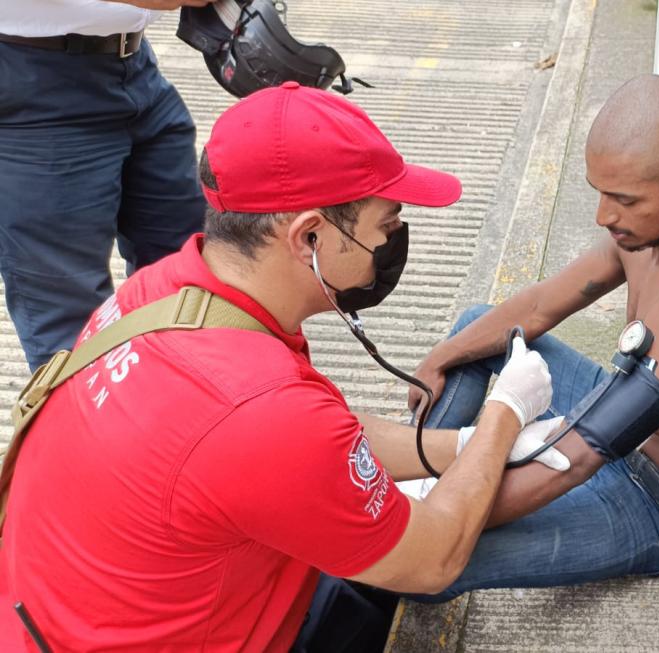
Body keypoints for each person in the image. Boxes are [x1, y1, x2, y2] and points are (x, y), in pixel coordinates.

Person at [0, 83, 565, 652]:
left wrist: (460, 445)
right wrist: (504, 416)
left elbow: (315, 440)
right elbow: (434, 557)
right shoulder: (260, 409)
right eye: (386, 224)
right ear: (310, 236)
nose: (394, 239)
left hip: (48, 617)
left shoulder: (162, 291)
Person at [408, 74, 659, 600]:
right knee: (478, 330)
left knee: (426, 564)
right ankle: (413, 466)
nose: (604, 216)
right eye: (601, 193)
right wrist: (438, 359)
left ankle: (408, 507)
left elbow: (580, 456)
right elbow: (540, 305)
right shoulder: (651, 229)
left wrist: (437, 521)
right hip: (615, 421)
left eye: (624, 199)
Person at [0, 0, 211, 370]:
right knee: (73, 332)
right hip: (33, 79)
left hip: (132, 63)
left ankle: (176, 412)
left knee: (188, 274)